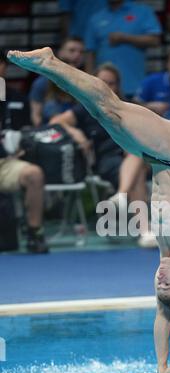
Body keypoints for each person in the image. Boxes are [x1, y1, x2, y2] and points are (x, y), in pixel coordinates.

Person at [7, 47, 170, 373]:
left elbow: (164, 312)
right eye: (168, 286)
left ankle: (50, 69)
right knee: (110, 107)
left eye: (158, 286)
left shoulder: (167, 259)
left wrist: (159, 364)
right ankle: (48, 62)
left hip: (154, 158)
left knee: (100, 112)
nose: (160, 281)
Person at [50, 62, 156, 247]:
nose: (107, 86)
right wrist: (75, 132)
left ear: (118, 86)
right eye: (102, 81)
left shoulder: (128, 107)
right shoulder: (84, 108)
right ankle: (144, 230)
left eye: (112, 83)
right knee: (137, 171)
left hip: (134, 156)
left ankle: (122, 197)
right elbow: (55, 122)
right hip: (106, 162)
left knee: (136, 157)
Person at [0, 51, 48, 253]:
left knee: (34, 174)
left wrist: (22, 147)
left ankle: (34, 233)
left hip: (6, 163)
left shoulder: (18, 99)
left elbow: (28, 133)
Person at [84, 0, 162, 99]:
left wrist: (125, 38)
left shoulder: (143, 11)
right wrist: (89, 84)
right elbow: (89, 52)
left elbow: (155, 40)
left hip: (135, 88)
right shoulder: (95, 18)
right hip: (104, 91)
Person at [29, 36, 85, 126]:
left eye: (81, 52)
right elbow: (36, 116)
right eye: (72, 50)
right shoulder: (42, 83)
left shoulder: (86, 82)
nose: (77, 55)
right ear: (60, 53)